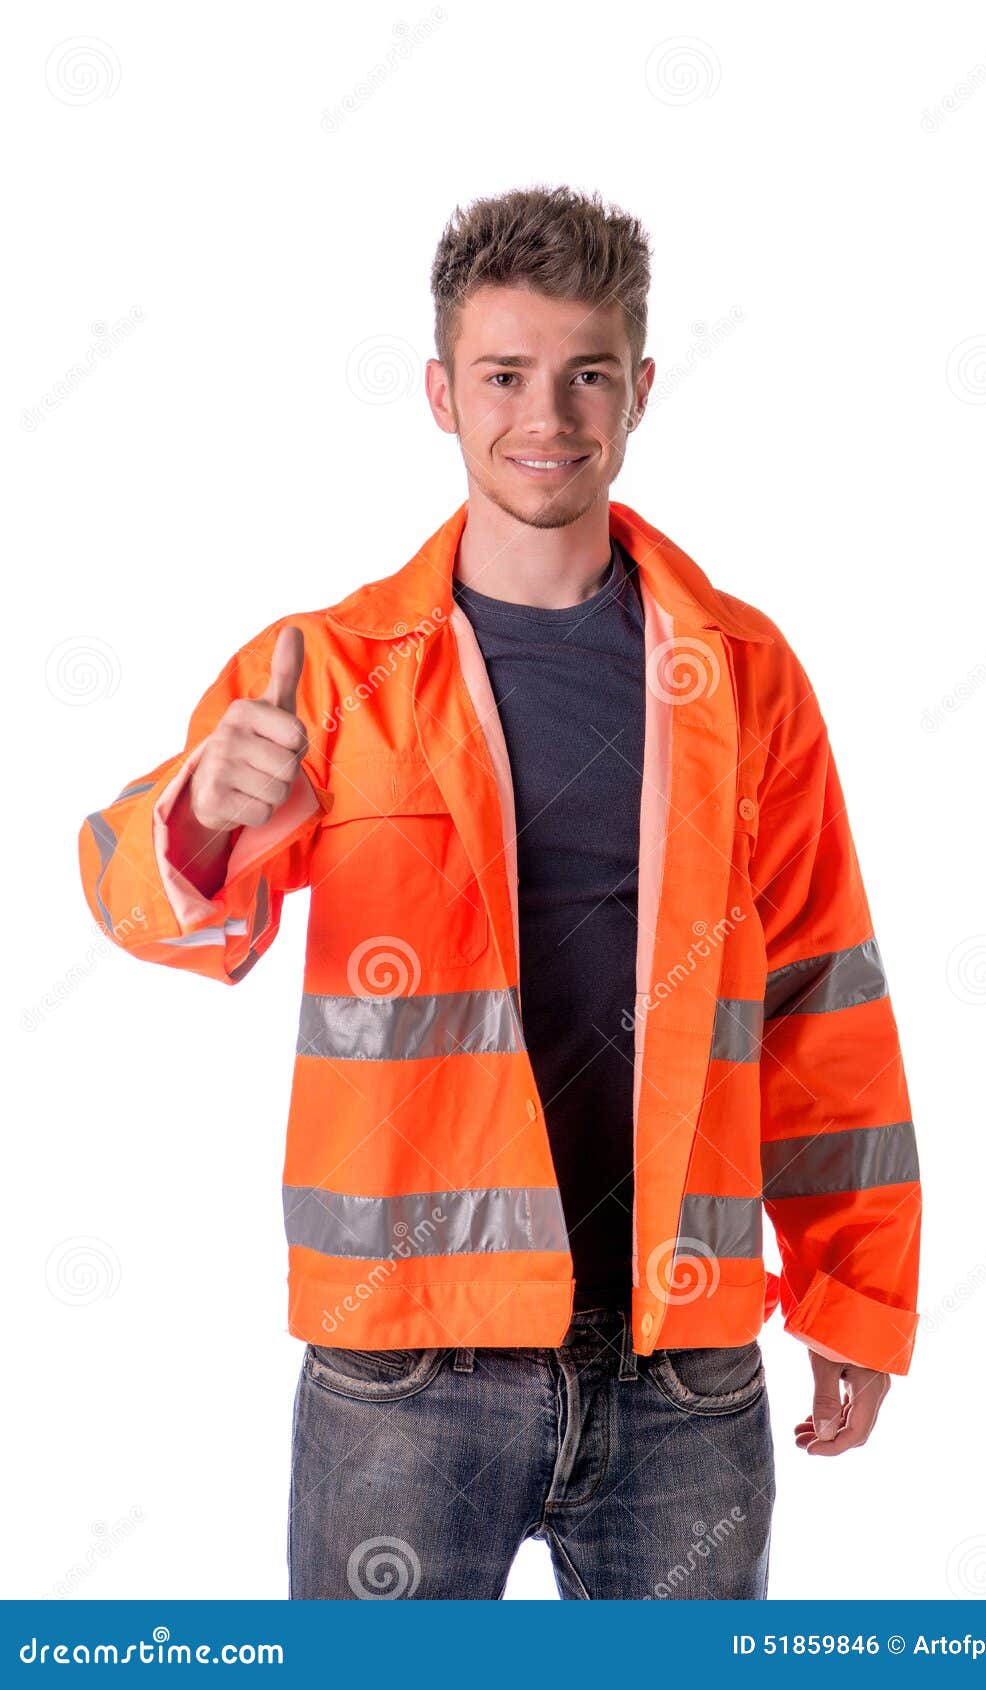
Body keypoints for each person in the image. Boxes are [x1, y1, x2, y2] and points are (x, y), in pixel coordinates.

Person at [78, 185, 922, 1600]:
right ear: (440, 394)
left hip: (683, 1363)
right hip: (406, 1361)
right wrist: (203, 818)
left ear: (640, 389)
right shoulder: (330, 672)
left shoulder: (742, 674)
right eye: (505, 375)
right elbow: (134, 898)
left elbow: (820, 992)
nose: (548, 414)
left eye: (588, 373)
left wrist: (855, 1287)